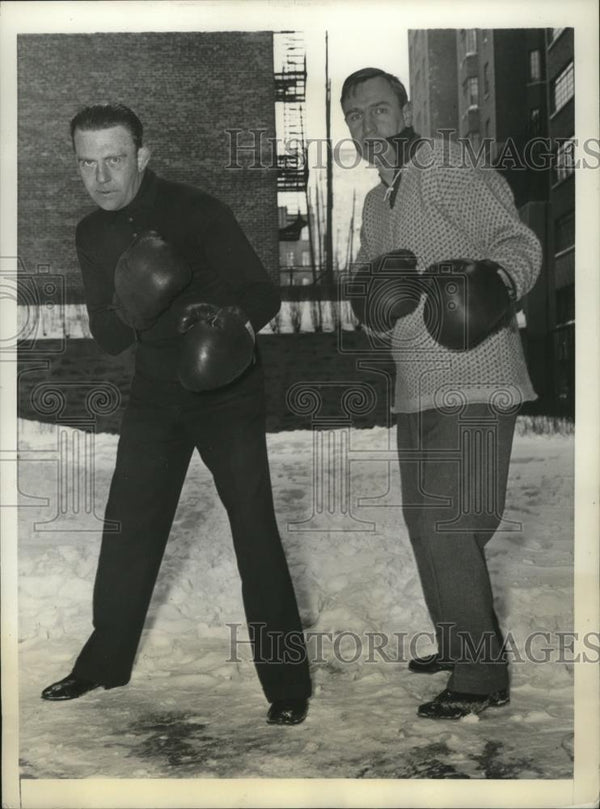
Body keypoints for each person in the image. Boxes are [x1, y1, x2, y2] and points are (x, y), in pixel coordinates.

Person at [41, 103, 311, 726]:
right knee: (127, 524)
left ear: (142, 155)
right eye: (87, 163)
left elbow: (263, 292)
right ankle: (102, 663)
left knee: (254, 527)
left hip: (226, 388)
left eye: (114, 159)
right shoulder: (92, 234)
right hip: (156, 392)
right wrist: (134, 300)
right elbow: (109, 338)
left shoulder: (198, 210)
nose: (102, 176)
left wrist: (222, 329)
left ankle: (287, 683)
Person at [342, 68, 542, 719]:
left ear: (405, 110)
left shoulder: (446, 162)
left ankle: (482, 674)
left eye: (379, 109)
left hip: (477, 374)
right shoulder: (376, 204)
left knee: (452, 521)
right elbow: (374, 314)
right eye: (354, 115)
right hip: (415, 388)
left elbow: (519, 239)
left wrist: (493, 287)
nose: (368, 125)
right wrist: (374, 303)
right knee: (425, 524)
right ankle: (459, 639)